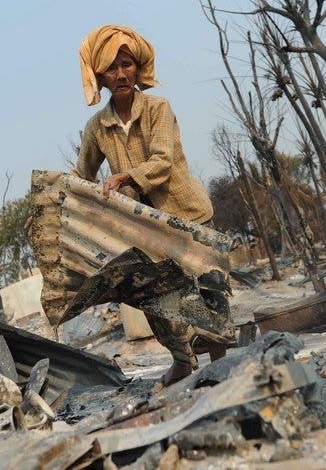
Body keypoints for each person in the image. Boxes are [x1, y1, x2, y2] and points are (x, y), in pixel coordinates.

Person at [74, 24, 224, 385]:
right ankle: (183, 362)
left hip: (186, 216)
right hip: (144, 231)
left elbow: (163, 160)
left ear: (138, 69)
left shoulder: (158, 109)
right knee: (153, 298)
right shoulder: (97, 127)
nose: (121, 73)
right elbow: (82, 173)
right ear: (101, 77)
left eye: (127, 64)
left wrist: (124, 178)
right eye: (112, 67)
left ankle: (220, 362)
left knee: (208, 292)